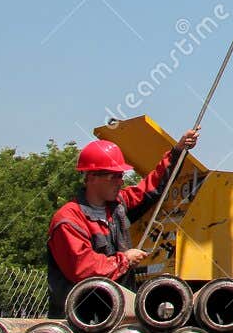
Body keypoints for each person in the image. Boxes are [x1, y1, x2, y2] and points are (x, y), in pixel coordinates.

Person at [45, 128, 200, 317]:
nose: (120, 182)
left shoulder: (118, 205)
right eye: (114, 176)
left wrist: (178, 150)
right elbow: (84, 270)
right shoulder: (68, 220)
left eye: (121, 176)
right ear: (91, 177)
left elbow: (152, 186)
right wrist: (125, 260)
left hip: (114, 316)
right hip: (79, 320)